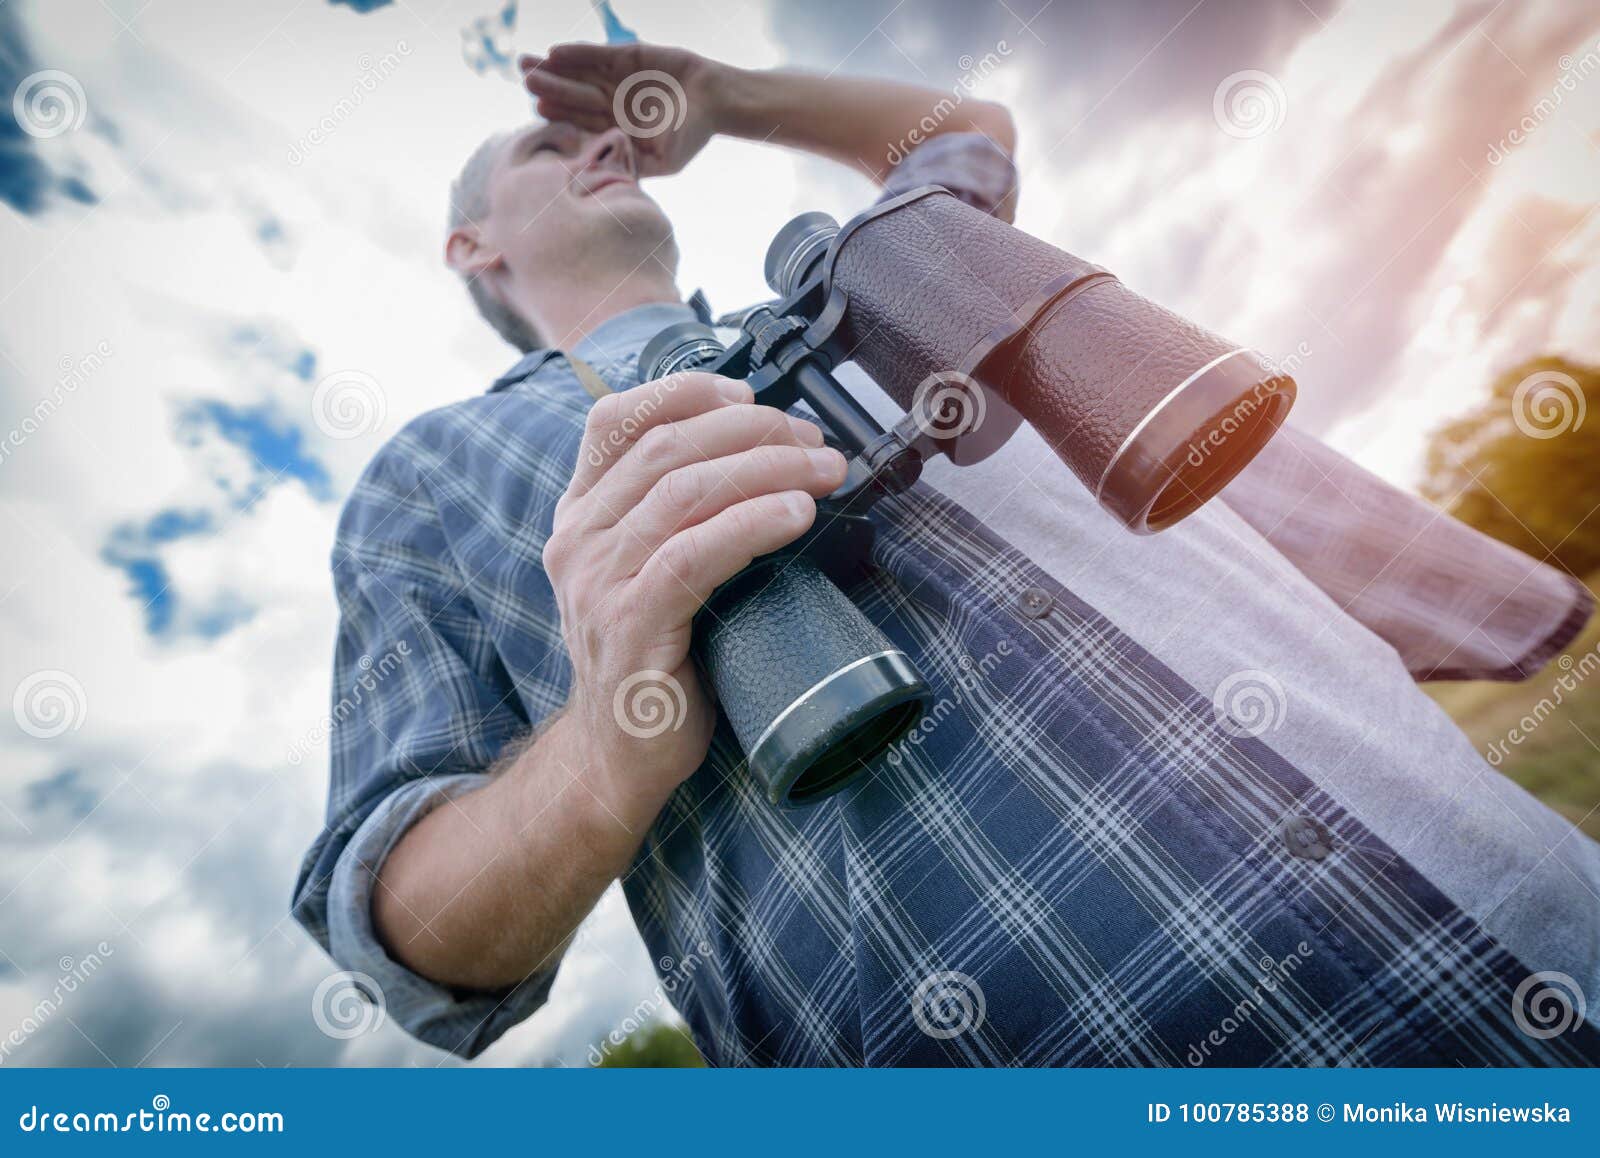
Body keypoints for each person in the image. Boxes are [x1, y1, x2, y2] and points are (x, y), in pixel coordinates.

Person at [293, 41, 1600, 1065]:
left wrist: (726, 95)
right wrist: (606, 740)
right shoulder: (433, 478)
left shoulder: (887, 271)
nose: (592, 146)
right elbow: (401, 934)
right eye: (545, 146)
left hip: (1510, 889)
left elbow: (969, 138)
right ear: (472, 245)